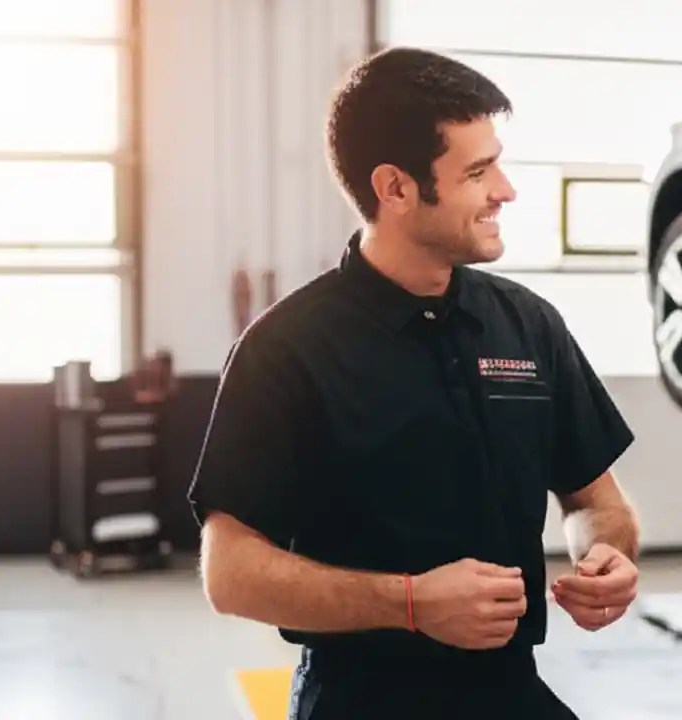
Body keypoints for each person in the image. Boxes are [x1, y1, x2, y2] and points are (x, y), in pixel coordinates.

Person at [188, 47, 640, 719]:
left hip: (510, 688)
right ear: (395, 188)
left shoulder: (527, 325)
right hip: (359, 698)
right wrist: (409, 604)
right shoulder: (287, 349)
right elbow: (230, 573)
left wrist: (604, 554)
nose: (506, 191)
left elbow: (597, 503)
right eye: (478, 172)